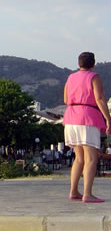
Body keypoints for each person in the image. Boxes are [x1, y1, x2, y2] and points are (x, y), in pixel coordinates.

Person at [63, 52, 111, 203]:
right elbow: (99, 98)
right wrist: (108, 118)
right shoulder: (93, 76)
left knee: (79, 158)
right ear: (93, 64)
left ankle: (73, 191)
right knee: (91, 158)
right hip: (87, 117)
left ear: (79, 64)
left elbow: (65, 99)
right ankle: (87, 194)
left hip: (71, 117)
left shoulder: (71, 77)